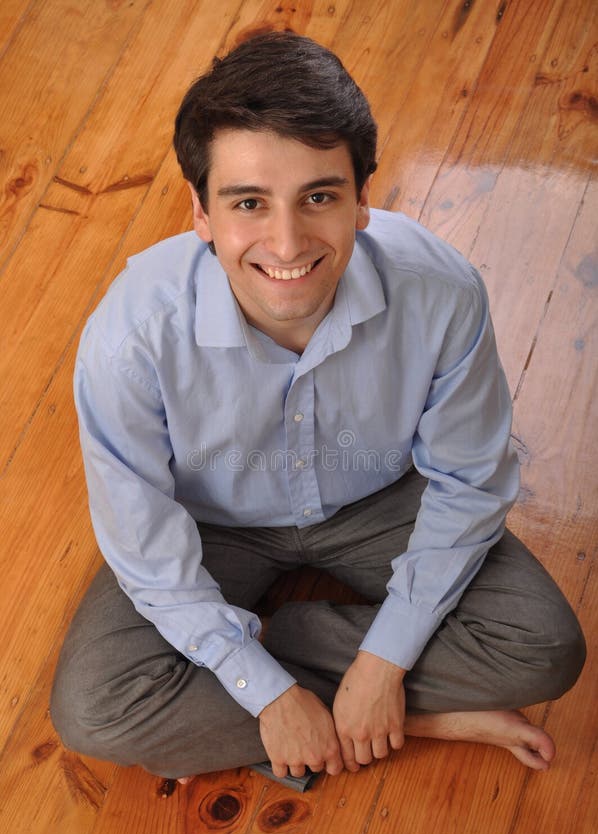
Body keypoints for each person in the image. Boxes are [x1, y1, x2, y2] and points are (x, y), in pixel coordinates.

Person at [50, 31, 585, 784]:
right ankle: (417, 718)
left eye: (320, 197)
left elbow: (469, 481)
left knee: (544, 646)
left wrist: (382, 661)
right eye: (248, 203)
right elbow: (147, 549)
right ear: (200, 212)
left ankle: (293, 662)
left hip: (380, 498)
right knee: (93, 706)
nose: (287, 240)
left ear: (363, 198)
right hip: (213, 523)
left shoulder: (441, 292)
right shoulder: (129, 338)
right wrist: (269, 694)